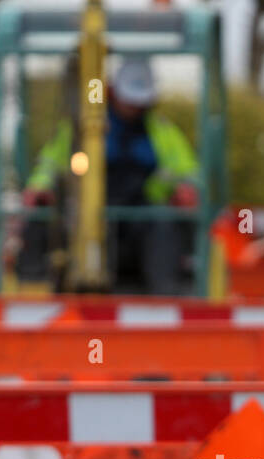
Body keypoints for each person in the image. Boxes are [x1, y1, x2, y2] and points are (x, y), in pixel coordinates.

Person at [21, 57, 200, 293]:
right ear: (113, 93)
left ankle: (165, 296)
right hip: (84, 212)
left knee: (164, 227)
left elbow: (188, 173)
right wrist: (40, 187)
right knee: (44, 221)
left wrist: (186, 190)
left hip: (140, 215)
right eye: (130, 101)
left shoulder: (163, 132)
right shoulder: (79, 129)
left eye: (141, 102)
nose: (134, 108)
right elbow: (50, 164)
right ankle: (32, 287)